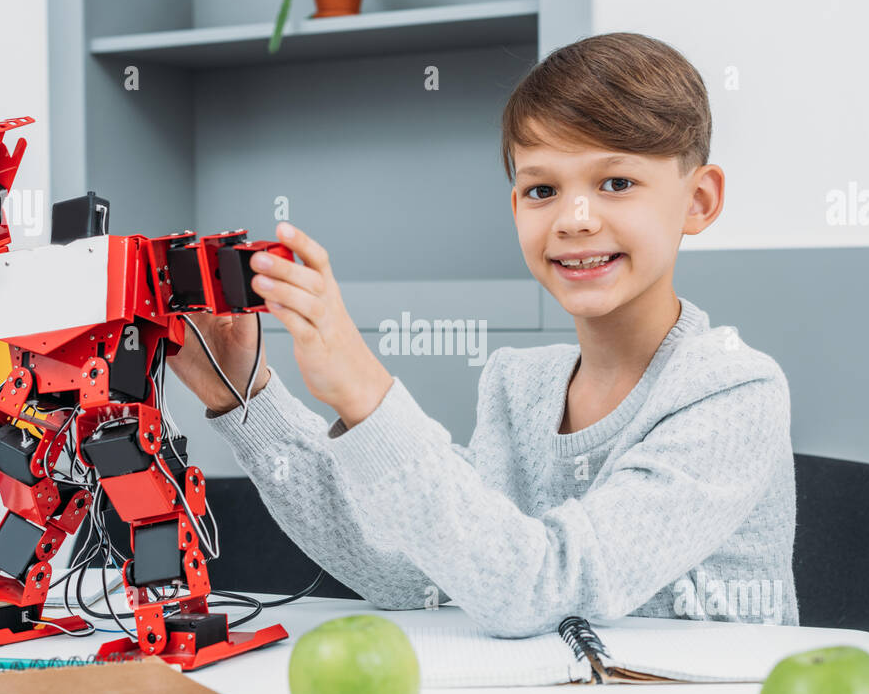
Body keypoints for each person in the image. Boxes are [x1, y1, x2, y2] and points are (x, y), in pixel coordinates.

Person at [168, 32, 797, 638]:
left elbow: (545, 584)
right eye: (542, 190)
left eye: (616, 183)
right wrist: (245, 396)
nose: (575, 220)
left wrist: (364, 391)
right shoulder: (518, 385)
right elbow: (410, 574)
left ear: (699, 200)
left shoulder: (735, 390)